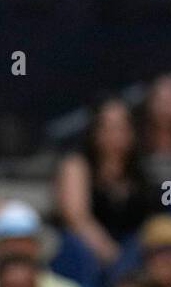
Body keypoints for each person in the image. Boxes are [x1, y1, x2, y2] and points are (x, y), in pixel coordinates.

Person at [57, 96, 160, 268]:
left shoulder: (141, 173)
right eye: (108, 127)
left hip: (134, 254)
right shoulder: (76, 165)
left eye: (122, 127)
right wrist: (116, 258)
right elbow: (76, 218)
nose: (116, 135)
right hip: (90, 255)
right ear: (94, 131)